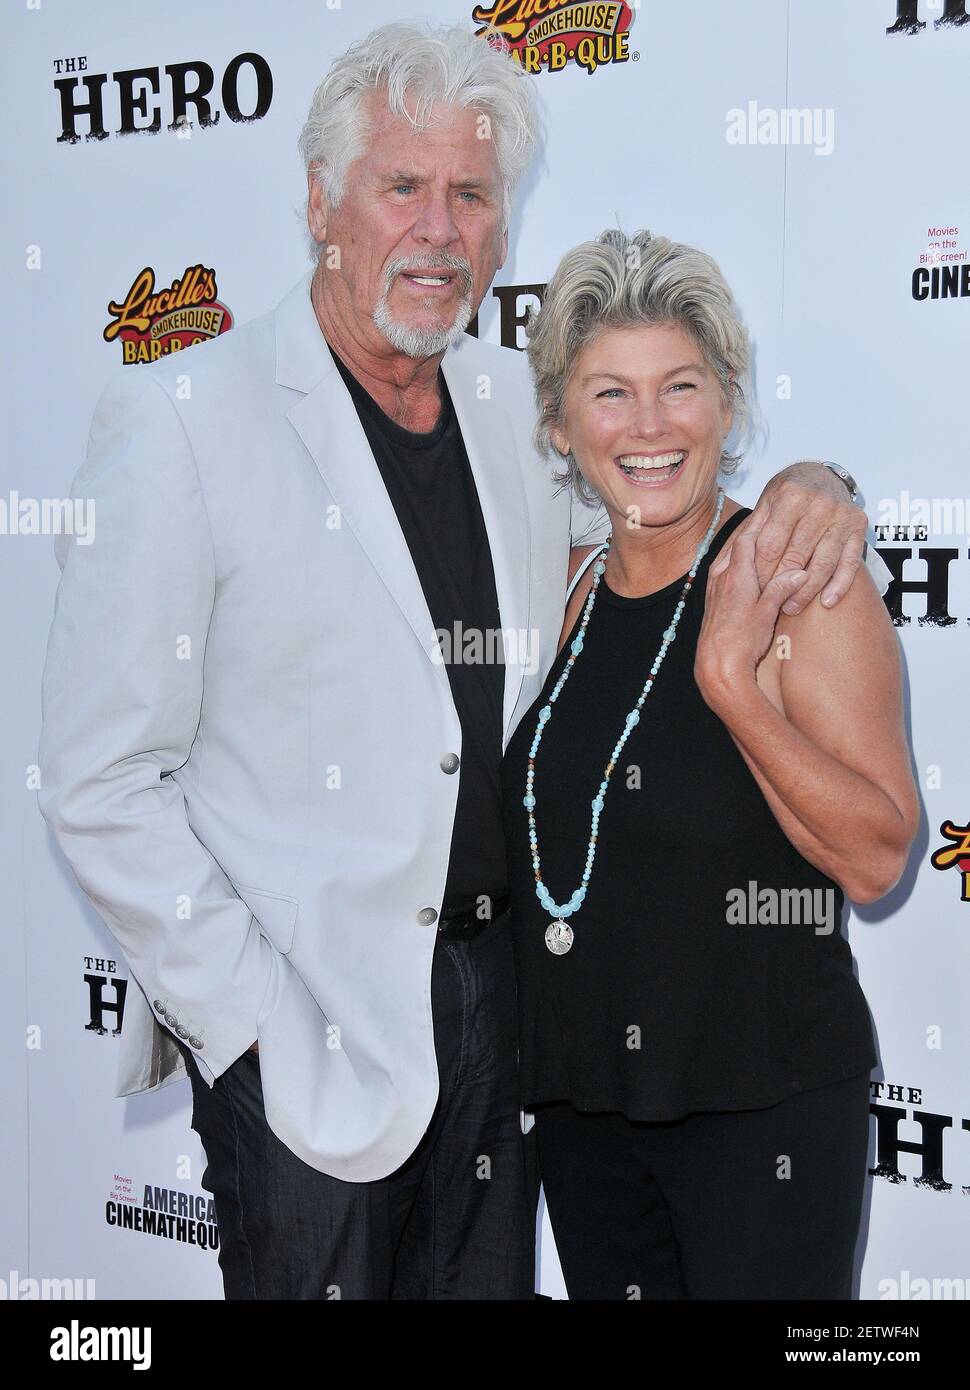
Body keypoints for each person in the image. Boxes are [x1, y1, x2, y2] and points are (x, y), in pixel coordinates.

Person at [38, 23, 882, 1301]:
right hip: (307, 1035)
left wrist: (824, 481)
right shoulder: (184, 420)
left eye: (472, 194)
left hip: (511, 1035)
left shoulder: (515, 410)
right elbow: (100, 778)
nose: (438, 229)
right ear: (319, 201)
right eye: (401, 186)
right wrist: (248, 1027)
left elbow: (663, 503)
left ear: (500, 227)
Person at [502, 227, 920, 1300]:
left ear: (726, 406)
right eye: (610, 394)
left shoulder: (797, 586)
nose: (649, 426)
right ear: (560, 424)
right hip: (584, 1111)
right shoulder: (558, 591)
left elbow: (878, 857)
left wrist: (730, 681)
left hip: (762, 1110)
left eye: (679, 387)